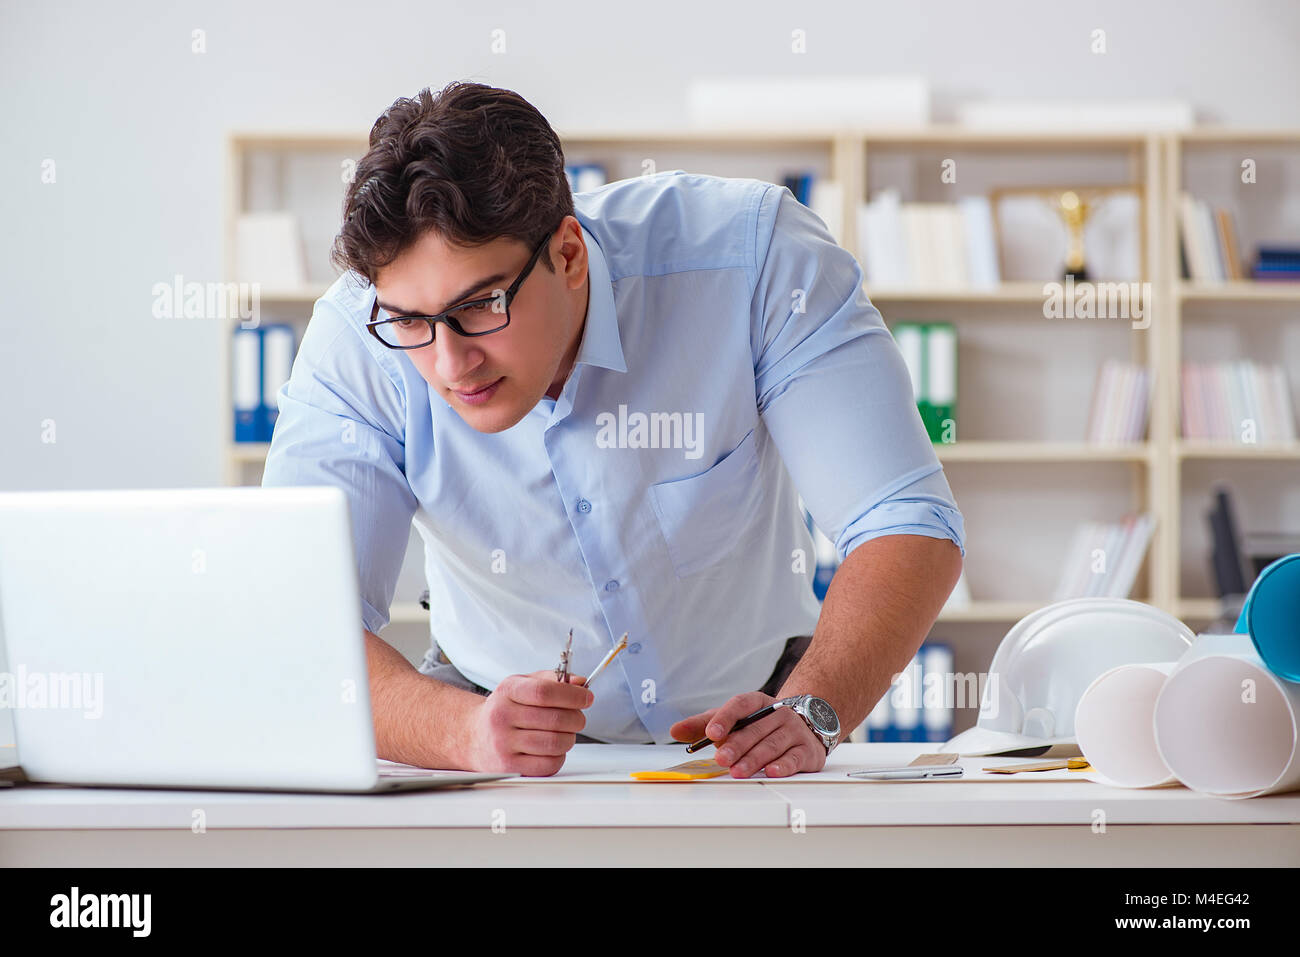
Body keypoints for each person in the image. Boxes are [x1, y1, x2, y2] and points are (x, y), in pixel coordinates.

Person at [263, 80, 964, 778]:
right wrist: (467, 733)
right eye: (412, 321)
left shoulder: (755, 259)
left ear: (568, 255)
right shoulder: (357, 338)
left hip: (761, 715)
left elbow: (906, 520)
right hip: (486, 725)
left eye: (481, 305)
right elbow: (302, 623)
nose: (450, 363)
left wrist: (813, 708)